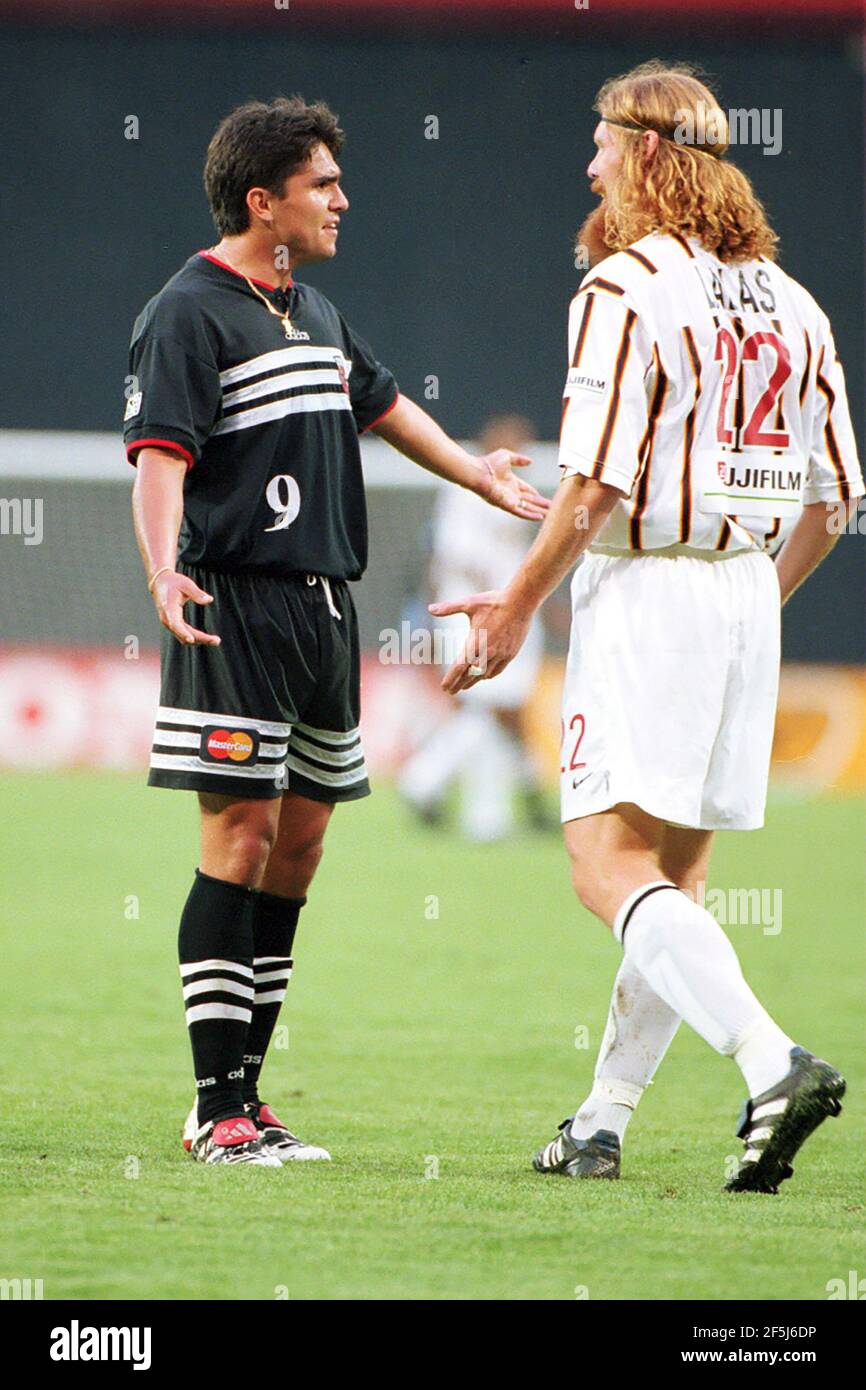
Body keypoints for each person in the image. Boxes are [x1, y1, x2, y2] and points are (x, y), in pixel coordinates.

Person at [431, 61, 863, 1193]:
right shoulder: (793, 299)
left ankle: (772, 1062)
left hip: (649, 595)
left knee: (599, 864)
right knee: (672, 878)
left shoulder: (623, 286)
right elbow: (835, 499)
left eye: (602, 146)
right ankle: (599, 1121)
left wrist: (515, 605)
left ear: (649, 156)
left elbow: (593, 486)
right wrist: (754, 603)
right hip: (738, 599)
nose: (588, 166)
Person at [125, 97, 547, 1167]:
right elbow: (161, 457)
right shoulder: (188, 311)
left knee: (299, 850)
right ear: (262, 201)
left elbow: (385, 403)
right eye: (322, 183)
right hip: (237, 604)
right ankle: (218, 1107)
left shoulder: (309, 306)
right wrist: (162, 567)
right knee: (237, 840)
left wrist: (475, 472)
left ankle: (243, 1100)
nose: (342, 198)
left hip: (324, 610)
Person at [400, 415, 553, 841]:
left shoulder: (518, 489)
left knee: (498, 708)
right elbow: (453, 553)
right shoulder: (466, 487)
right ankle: (429, 782)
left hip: (513, 611)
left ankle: (482, 809)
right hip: (476, 612)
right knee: (492, 705)